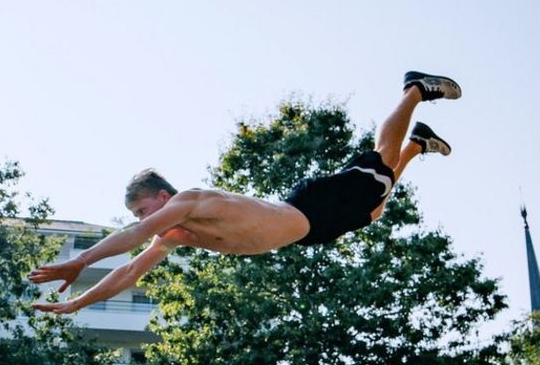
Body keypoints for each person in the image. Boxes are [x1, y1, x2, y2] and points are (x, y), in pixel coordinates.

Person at [30, 71, 460, 314]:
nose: (144, 220)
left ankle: (415, 90)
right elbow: (129, 273)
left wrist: (81, 260)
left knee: (380, 163)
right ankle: (418, 144)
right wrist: (78, 302)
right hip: (308, 232)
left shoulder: (188, 202)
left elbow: (132, 236)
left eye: (144, 210)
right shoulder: (177, 233)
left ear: (162, 197)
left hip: (307, 208)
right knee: (375, 209)